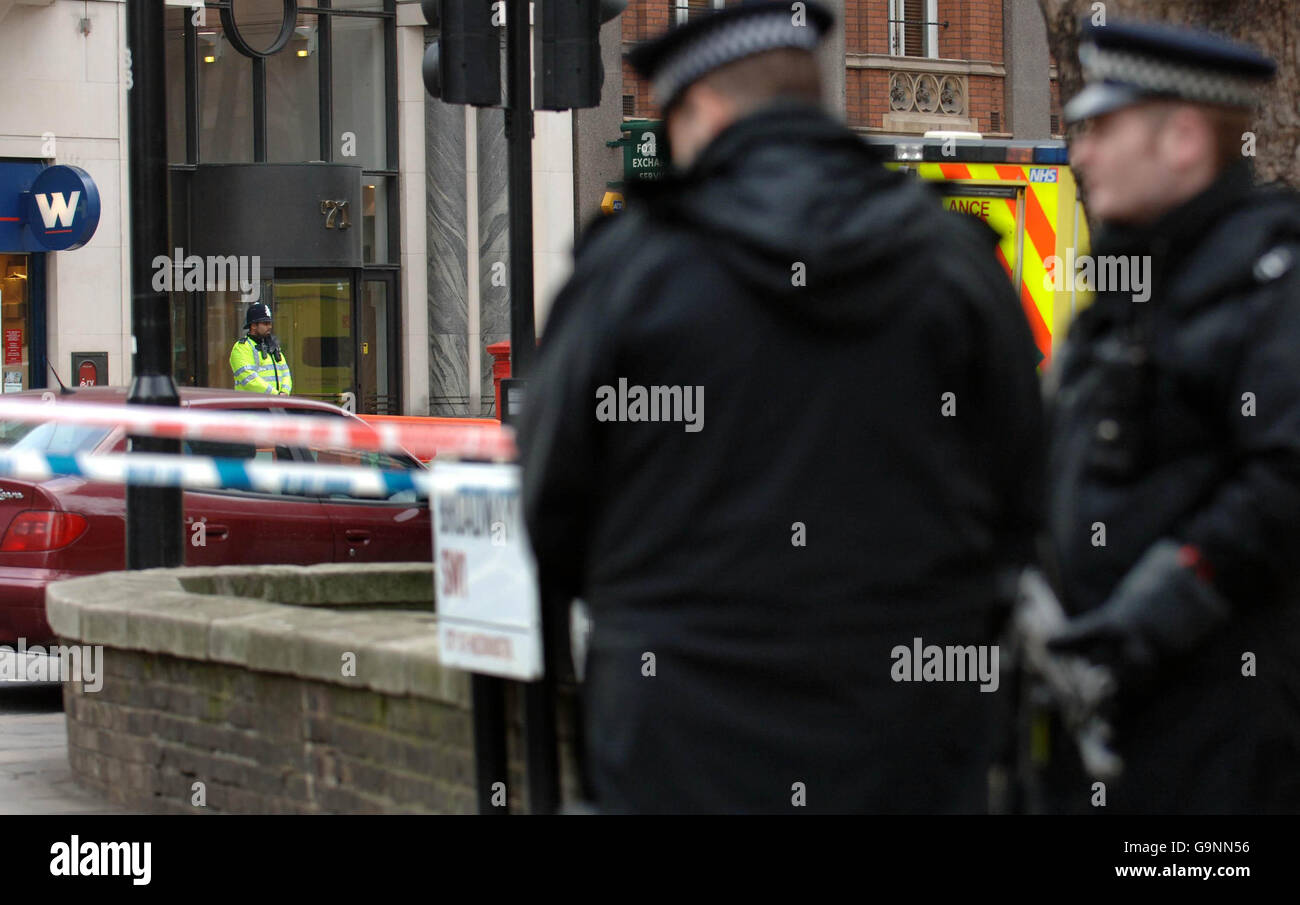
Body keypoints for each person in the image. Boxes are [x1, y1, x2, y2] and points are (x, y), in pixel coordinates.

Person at [516, 0, 1045, 813]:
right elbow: (1025, 496)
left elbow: (552, 505)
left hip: (682, 744)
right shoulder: (953, 261)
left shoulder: (632, 270)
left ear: (707, 110)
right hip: (907, 743)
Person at [1044, 20, 1300, 813]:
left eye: (1102, 128)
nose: (1081, 154)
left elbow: (1285, 477)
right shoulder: (1127, 290)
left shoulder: (1271, 282)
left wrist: (1155, 611)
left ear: (1183, 138)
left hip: (1219, 749)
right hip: (1110, 734)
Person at [231, 302, 292, 395]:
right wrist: (276, 394)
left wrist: (284, 392)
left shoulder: (273, 346)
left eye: (270, 323)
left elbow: (285, 372)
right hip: (251, 406)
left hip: (274, 404)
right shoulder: (241, 348)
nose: (269, 327)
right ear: (253, 325)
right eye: (265, 323)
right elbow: (249, 378)